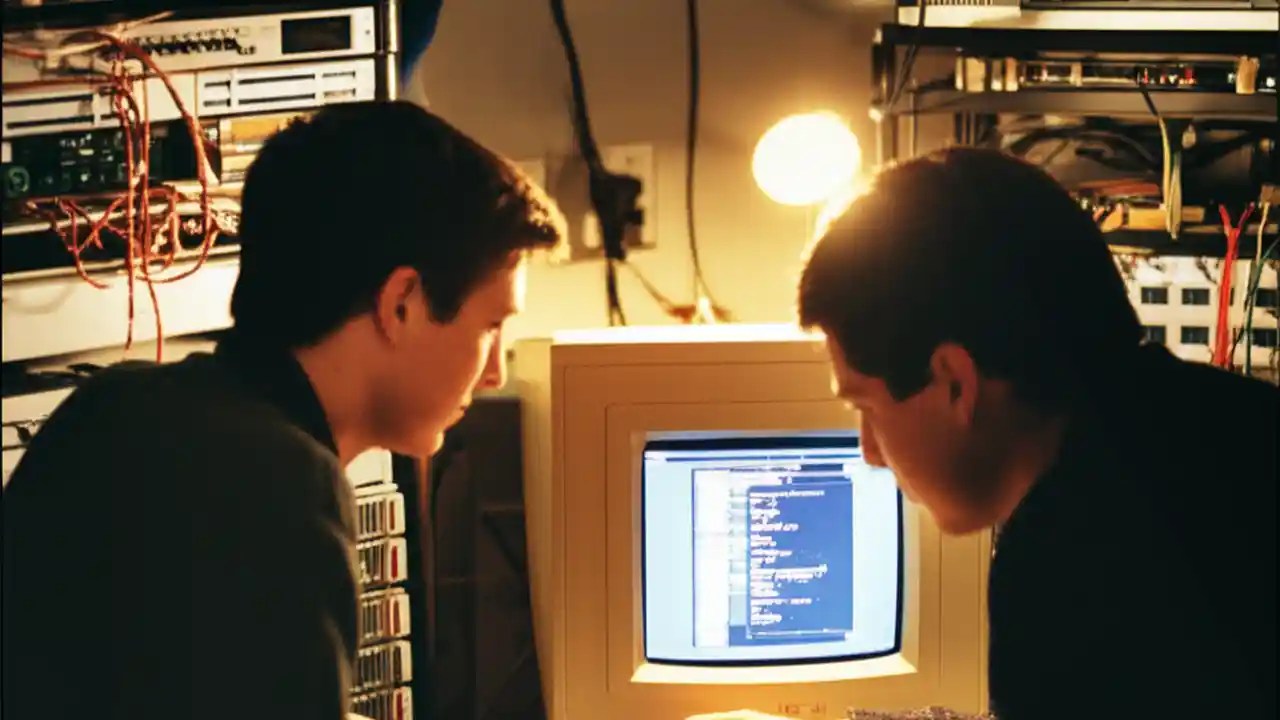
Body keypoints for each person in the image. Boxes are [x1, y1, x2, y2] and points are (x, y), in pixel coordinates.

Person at [1, 101, 566, 719]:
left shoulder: (116, 404)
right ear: (401, 302)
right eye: (492, 327)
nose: (495, 373)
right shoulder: (282, 483)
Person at [797, 147, 1276, 719]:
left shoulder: (1063, 574)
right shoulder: (1226, 421)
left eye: (867, 407)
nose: (869, 452)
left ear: (955, 383)